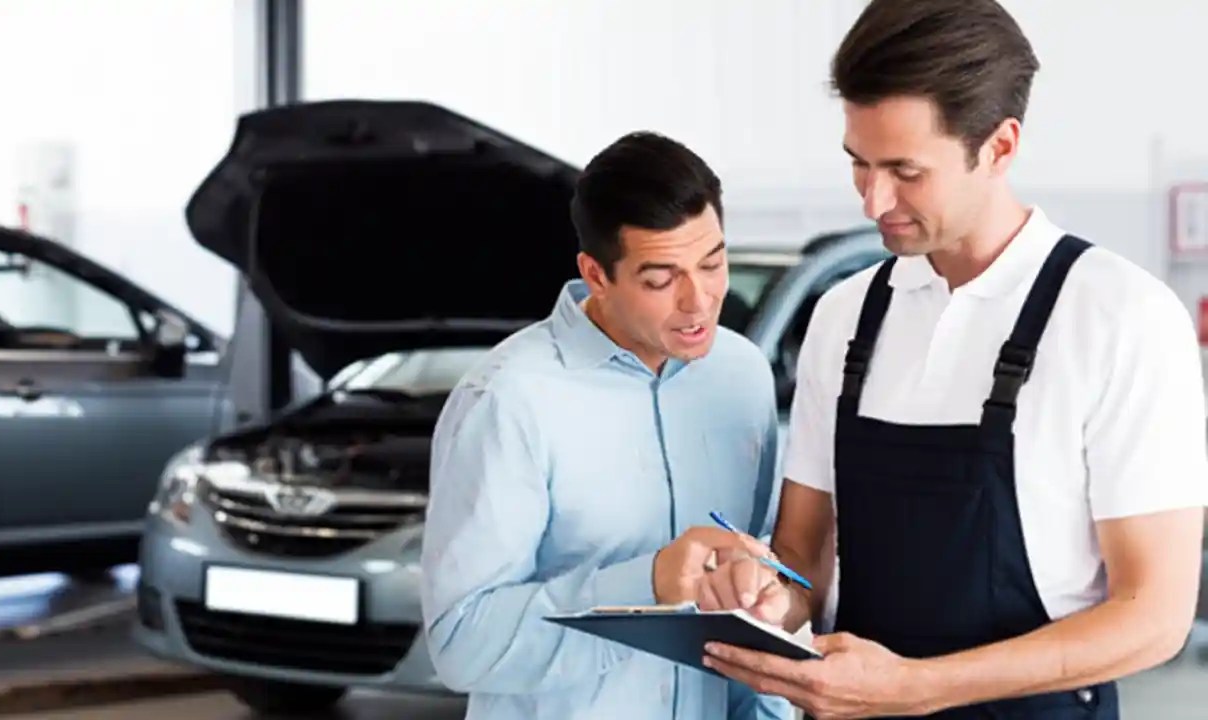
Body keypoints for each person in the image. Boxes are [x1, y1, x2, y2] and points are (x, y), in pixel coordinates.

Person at [696, 1, 1208, 718]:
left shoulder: (1122, 317)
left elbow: (1153, 616)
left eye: (906, 170)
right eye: (859, 165)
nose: (876, 201)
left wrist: (912, 688)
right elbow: (802, 564)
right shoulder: (843, 317)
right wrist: (756, 599)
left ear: (999, 147)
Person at [420, 131, 794, 719]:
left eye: (713, 263)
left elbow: (755, 578)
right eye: (660, 279)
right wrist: (646, 585)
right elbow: (461, 645)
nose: (699, 301)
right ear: (596, 275)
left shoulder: (742, 374)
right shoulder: (509, 400)